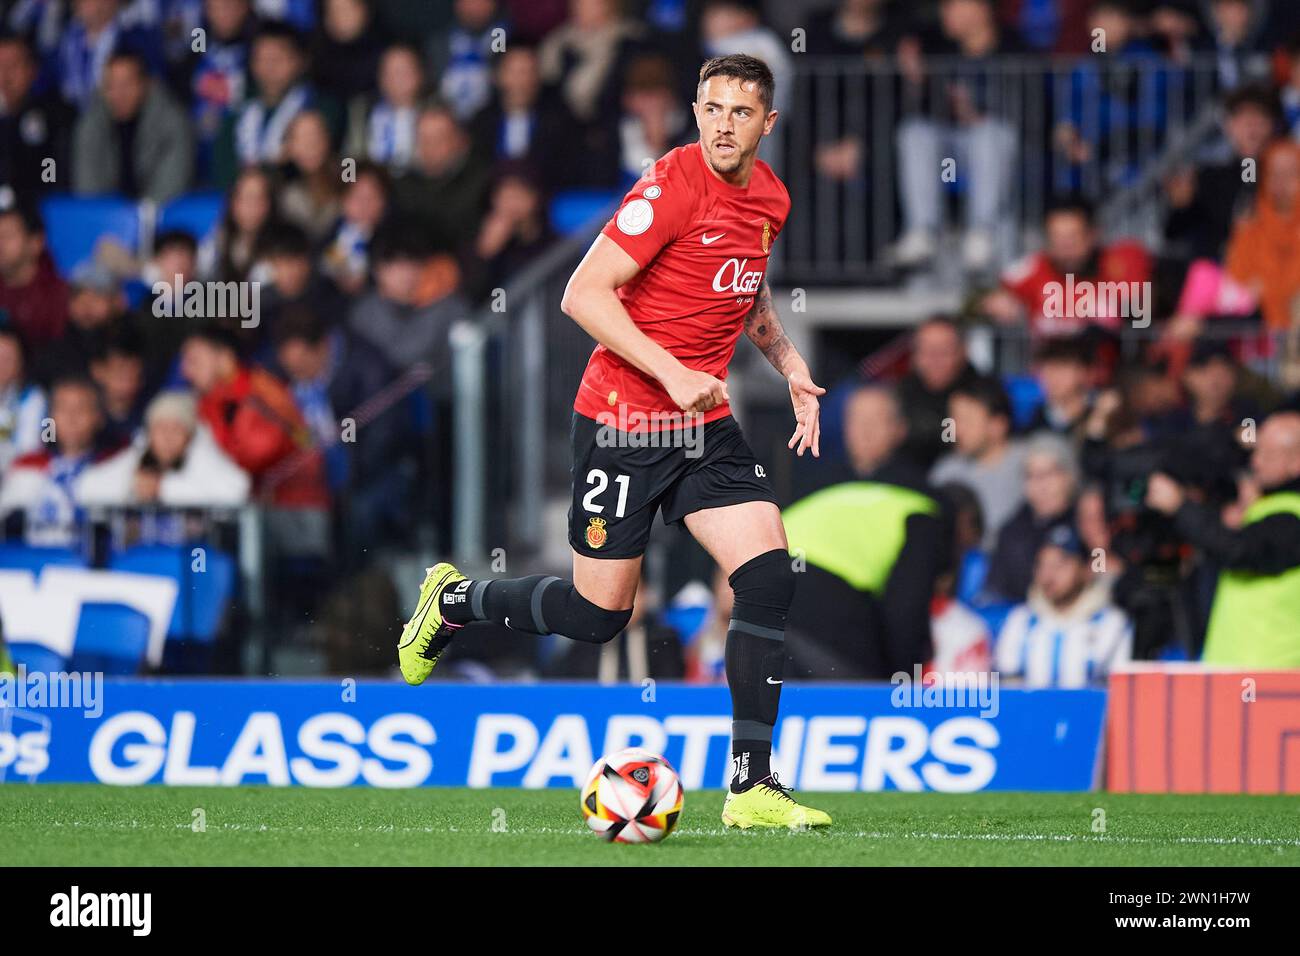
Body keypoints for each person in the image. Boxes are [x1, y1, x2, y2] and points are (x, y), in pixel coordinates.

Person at [397, 54, 832, 830]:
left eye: (740, 112)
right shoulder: (670, 185)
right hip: (624, 423)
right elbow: (581, 294)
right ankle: (453, 599)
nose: (723, 124)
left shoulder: (770, 197)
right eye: (712, 108)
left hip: (700, 426)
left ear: (768, 123)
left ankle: (751, 786)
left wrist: (790, 362)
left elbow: (745, 285)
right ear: (696, 113)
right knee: (601, 613)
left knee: (767, 575)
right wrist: (671, 372)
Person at [782, 385, 945, 679]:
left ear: (899, 429)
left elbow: (907, 606)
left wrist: (898, 677)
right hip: (786, 620)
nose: (865, 430)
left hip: (823, 634)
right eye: (856, 420)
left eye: (876, 420)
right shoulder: (811, 485)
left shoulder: (919, 499)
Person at [1146, 411, 1300, 667]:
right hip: (1231, 675)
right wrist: (1232, 437)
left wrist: (1181, 507)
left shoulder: (1291, 517)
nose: (1256, 462)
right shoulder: (1266, 507)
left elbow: (1237, 551)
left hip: (1274, 679)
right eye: (1255, 451)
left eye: (1268, 454)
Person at [995, 524, 1133, 687]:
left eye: (1060, 564)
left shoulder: (1112, 623)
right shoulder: (1020, 620)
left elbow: (1118, 690)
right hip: (1030, 712)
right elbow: (1008, 686)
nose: (1049, 575)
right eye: (1042, 564)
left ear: (1085, 569)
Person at [75, 390, 250, 506]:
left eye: (176, 429)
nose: (167, 437)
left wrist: (164, 488)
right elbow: (85, 488)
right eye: (160, 428)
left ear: (189, 435)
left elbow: (237, 490)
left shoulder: (199, 453)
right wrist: (132, 484)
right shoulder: (140, 450)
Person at [71, 50, 193, 202]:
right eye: (110, 86)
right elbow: (88, 190)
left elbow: (171, 184)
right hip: (108, 219)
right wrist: (105, 217)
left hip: (159, 215)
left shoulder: (172, 121)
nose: (119, 94)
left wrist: (140, 216)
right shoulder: (91, 124)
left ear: (145, 84)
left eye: (127, 84)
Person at [929, 375, 1028, 548]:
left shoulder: (1030, 463)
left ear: (998, 424)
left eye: (966, 420)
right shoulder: (945, 471)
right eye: (953, 419)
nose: (956, 429)